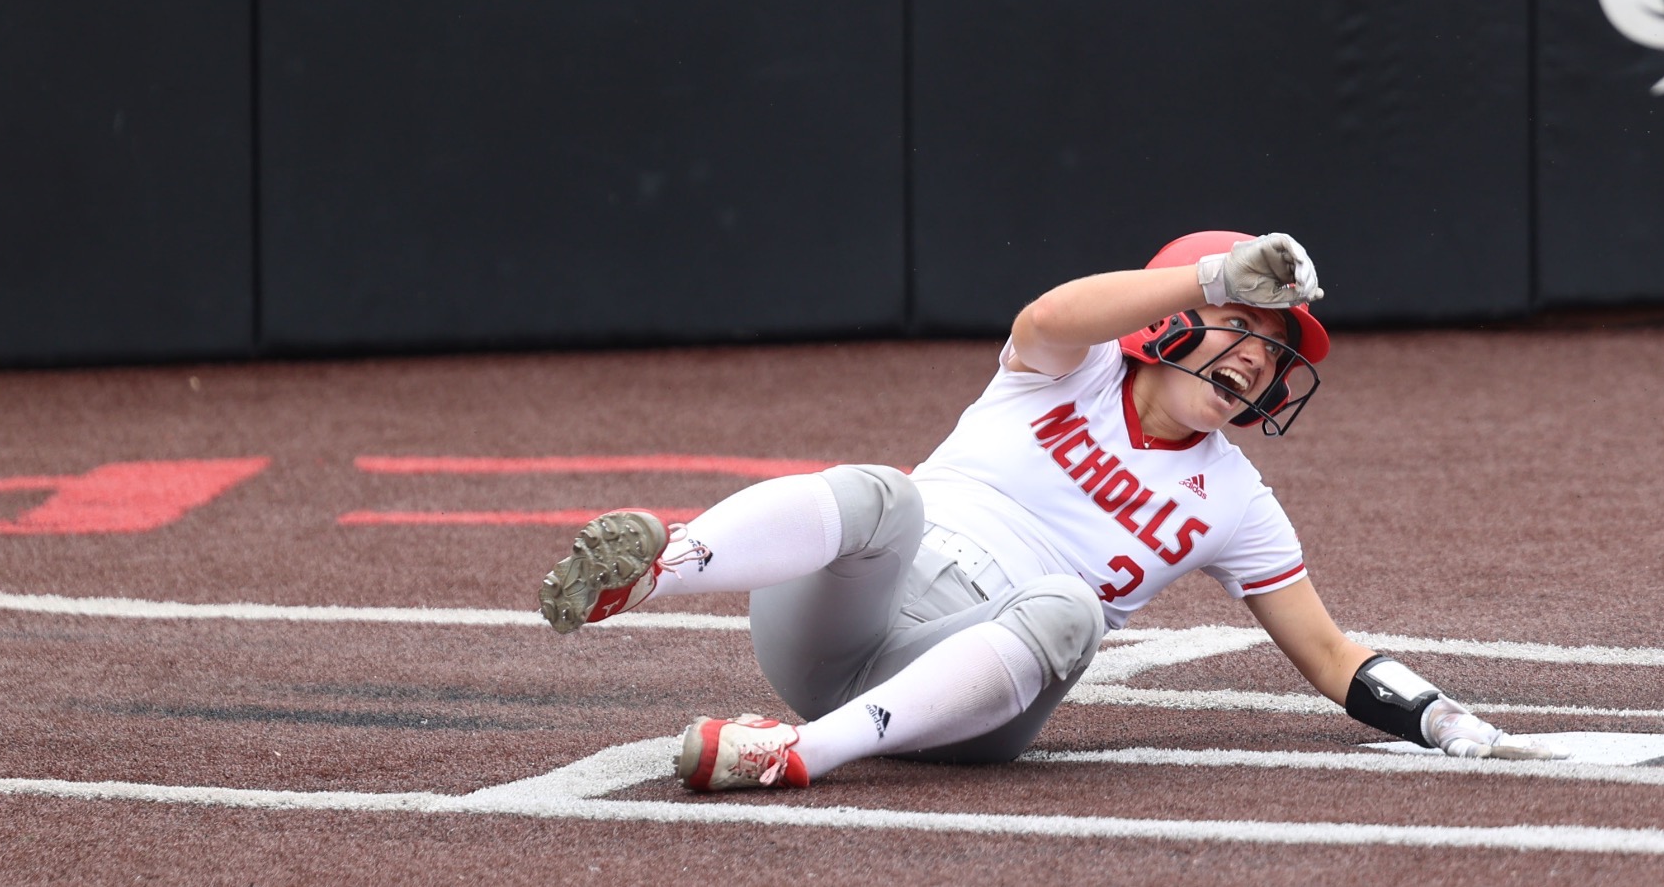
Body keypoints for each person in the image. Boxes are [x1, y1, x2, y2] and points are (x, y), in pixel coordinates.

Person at [535, 230, 1559, 790]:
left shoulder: (1238, 502)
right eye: (1240, 330)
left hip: (972, 692)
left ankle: (799, 753)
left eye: (1272, 352)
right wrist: (1212, 273)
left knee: (1069, 608)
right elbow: (1047, 314)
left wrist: (1437, 715)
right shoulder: (1064, 370)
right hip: (836, 616)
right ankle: (661, 563)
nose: (1257, 360)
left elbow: (1330, 654)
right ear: (1170, 317)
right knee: (882, 487)